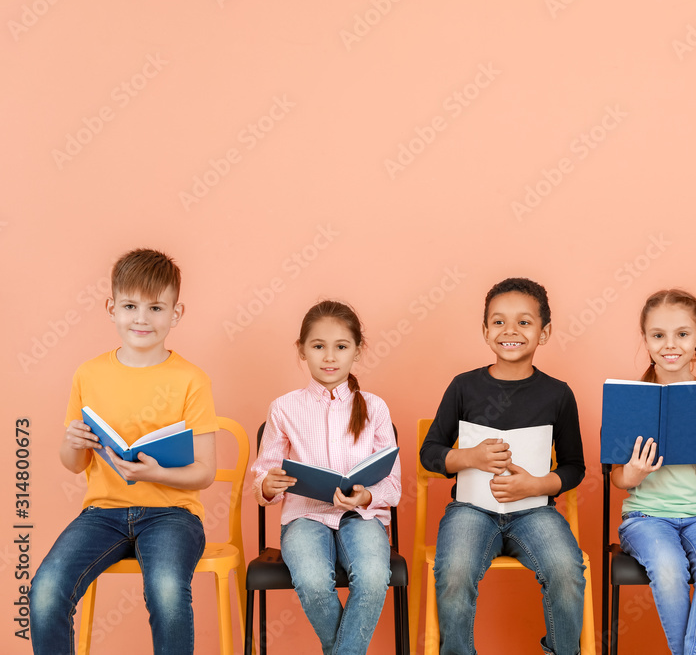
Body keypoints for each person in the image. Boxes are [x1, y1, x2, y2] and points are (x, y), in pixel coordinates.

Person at [30, 248, 218, 655]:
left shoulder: (192, 380)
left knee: (167, 590)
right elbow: (74, 463)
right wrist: (72, 443)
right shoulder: (89, 374)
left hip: (173, 516)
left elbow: (204, 472)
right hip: (103, 514)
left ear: (176, 313)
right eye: (130, 306)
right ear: (111, 308)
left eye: (155, 307)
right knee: (46, 589)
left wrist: (154, 475)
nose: (141, 318)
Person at [419, 277, 587, 655]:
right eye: (498, 322)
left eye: (524, 322)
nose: (510, 331)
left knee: (566, 571)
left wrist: (538, 486)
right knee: (455, 573)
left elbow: (575, 467)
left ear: (544, 333)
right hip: (472, 511)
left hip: (534, 513)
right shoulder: (464, 387)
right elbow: (430, 452)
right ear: (485, 331)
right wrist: (469, 457)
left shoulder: (558, 394)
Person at [251, 300, 400, 655]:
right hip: (305, 516)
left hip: (362, 517)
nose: (329, 357)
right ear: (302, 350)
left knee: (375, 576)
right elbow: (263, 474)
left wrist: (365, 497)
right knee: (314, 580)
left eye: (341, 347)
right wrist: (266, 486)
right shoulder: (284, 408)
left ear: (358, 351)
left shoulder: (375, 408)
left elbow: (392, 485)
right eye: (318, 346)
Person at [610, 289, 696, 654]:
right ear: (646, 340)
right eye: (658, 335)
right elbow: (617, 479)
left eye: (682, 334)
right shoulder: (631, 400)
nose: (671, 345)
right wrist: (634, 473)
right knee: (668, 571)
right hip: (646, 518)